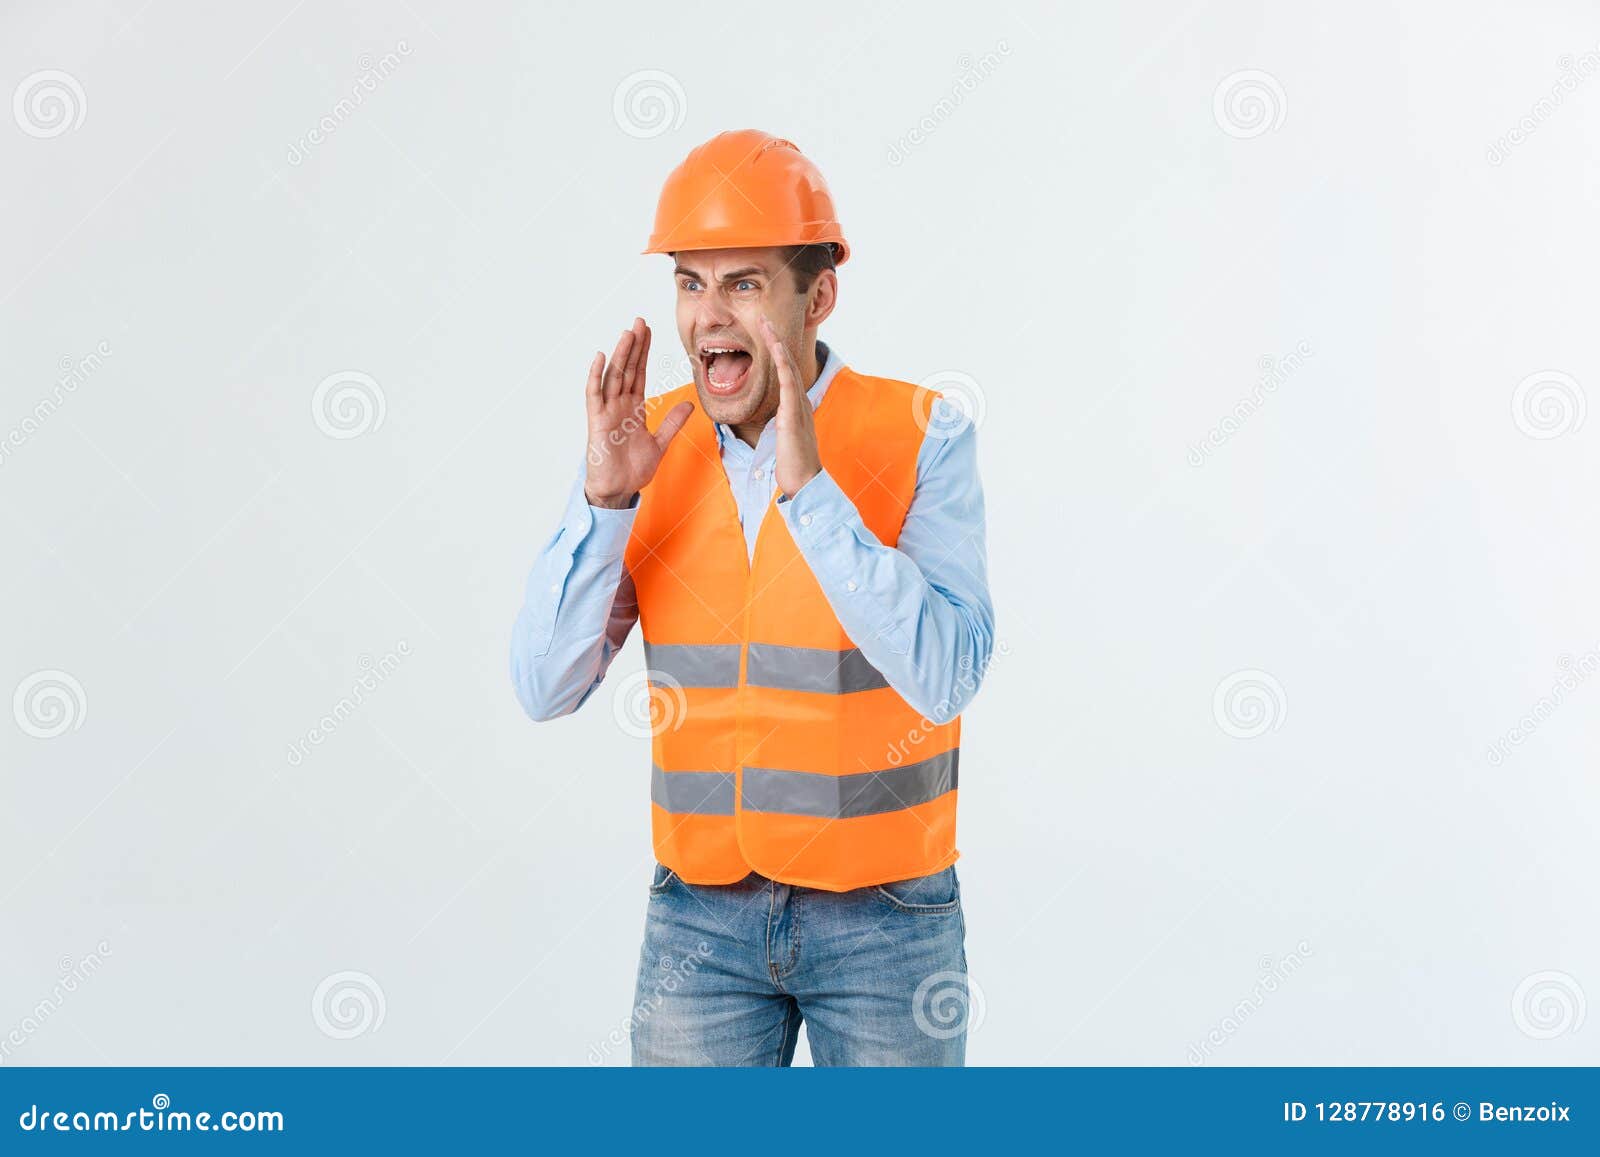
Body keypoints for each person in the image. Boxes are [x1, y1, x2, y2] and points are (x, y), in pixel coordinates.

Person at [510, 130, 995, 1065]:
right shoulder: (644, 446)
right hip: (701, 921)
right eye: (691, 282)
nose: (708, 316)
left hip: (888, 921)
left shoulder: (922, 432)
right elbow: (543, 685)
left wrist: (814, 501)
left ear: (818, 295)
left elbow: (947, 673)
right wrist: (607, 503)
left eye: (743, 283)